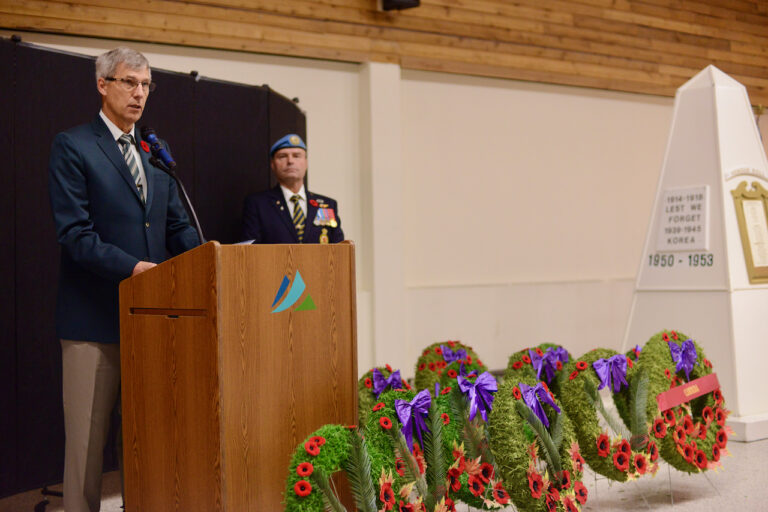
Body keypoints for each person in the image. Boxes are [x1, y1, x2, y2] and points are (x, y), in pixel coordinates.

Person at [48, 47, 200, 512]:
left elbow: (176, 227)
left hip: (151, 324)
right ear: (103, 84)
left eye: (146, 85)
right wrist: (136, 269)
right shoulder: (74, 146)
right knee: (87, 451)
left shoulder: (153, 152)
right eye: (129, 82)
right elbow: (75, 235)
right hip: (93, 323)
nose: (139, 93)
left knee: (144, 442)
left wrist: (212, 260)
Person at [241, 134, 344, 244]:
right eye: (282, 156)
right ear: (272, 164)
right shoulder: (258, 204)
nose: (290, 161)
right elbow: (251, 252)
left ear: (306, 162)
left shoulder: (327, 205)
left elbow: (339, 249)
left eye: (296, 156)